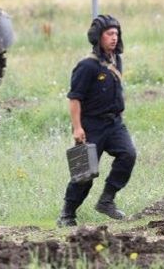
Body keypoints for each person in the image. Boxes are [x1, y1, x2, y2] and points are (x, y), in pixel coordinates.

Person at [58, 14, 137, 227]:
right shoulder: (87, 66)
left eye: (116, 33)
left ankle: (106, 200)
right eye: (109, 33)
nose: (114, 37)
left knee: (128, 154)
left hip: (114, 123)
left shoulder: (116, 60)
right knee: (85, 173)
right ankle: (67, 213)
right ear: (98, 37)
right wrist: (77, 127)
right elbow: (75, 98)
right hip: (91, 125)